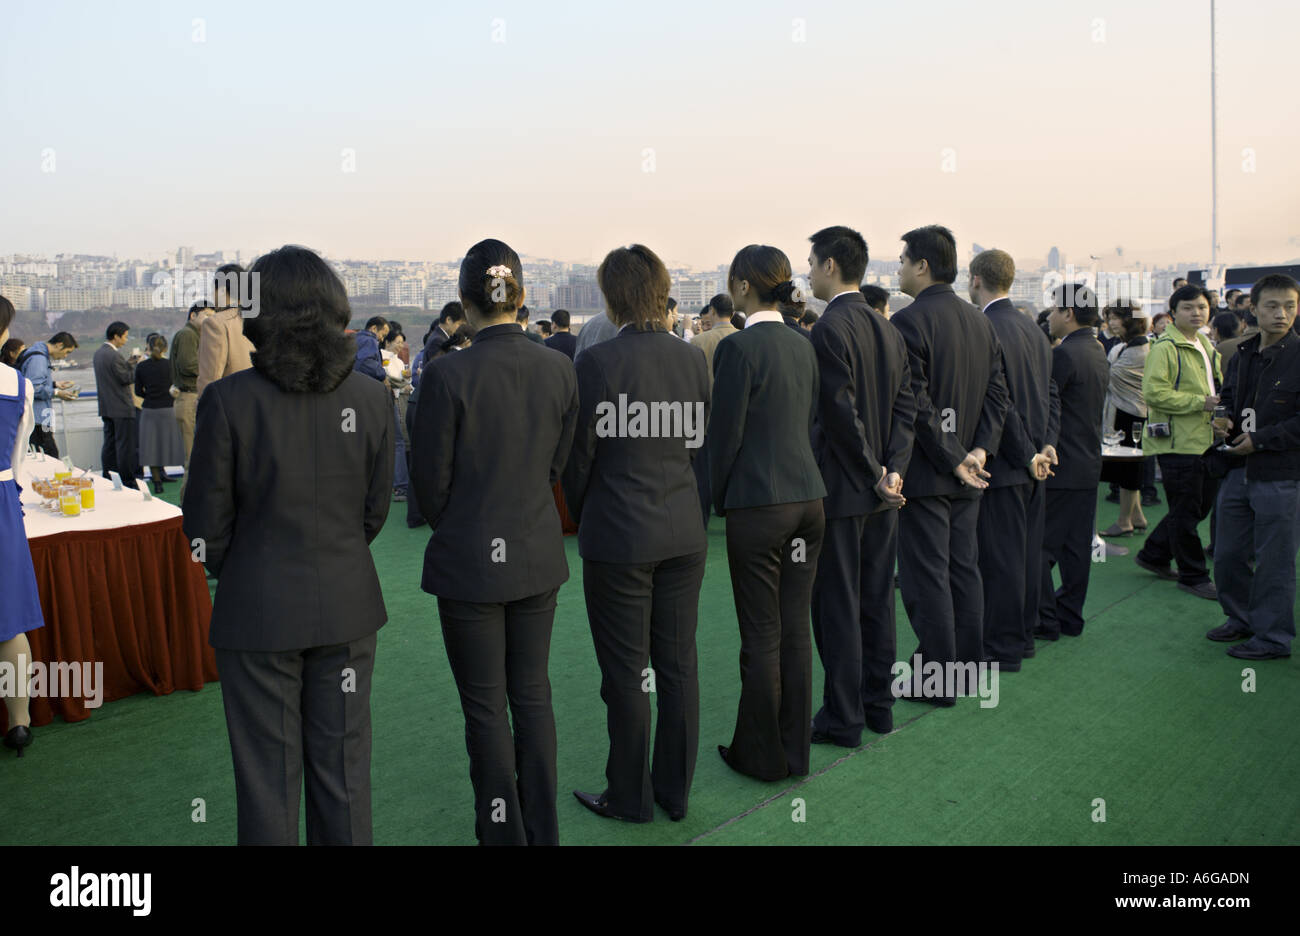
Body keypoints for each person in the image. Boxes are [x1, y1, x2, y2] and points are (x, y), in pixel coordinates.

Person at [183, 245, 394, 845]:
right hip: (347, 608)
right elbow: (374, 513)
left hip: (257, 612)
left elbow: (202, 529)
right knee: (345, 778)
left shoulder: (228, 402)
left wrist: (246, 566)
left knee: (268, 785)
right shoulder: (371, 398)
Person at [412, 239, 577, 845]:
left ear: (465, 301)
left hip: (469, 561)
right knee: (532, 696)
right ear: (523, 298)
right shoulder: (560, 365)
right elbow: (557, 464)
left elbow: (430, 485)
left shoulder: (448, 374)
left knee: (485, 707)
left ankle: (502, 834)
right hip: (535, 552)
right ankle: (542, 831)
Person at [563, 244, 710, 824]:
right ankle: (673, 790)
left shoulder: (595, 362)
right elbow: (698, 445)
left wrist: (588, 511)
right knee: (678, 667)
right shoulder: (690, 359)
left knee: (625, 674)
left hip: (620, 534)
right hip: (682, 530)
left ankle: (629, 795)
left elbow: (578, 463)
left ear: (610, 295)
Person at [708, 244, 826, 781]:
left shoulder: (738, 349)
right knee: (794, 629)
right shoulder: (805, 345)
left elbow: (725, 437)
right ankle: (794, 751)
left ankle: (760, 756)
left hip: (760, 505)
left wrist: (719, 496)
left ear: (742, 287)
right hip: (809, 501)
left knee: (760, 633)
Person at [889, 225, 1009, 703]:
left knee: (927, 578)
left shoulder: (908, 322)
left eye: (902, 259)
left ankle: (937, 680)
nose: (897, 267)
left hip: (929, 473)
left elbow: (915, 404)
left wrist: (958, 456)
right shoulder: (981, 320)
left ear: (922, 265)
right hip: (968, 472)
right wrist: (979, 450)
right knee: (963, 570)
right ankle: (965, 669)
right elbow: (998, 395)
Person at [806, 226, 914, 741]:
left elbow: (840, 414)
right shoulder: (887, 328)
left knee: (838, 605)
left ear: (830, 266)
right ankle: (878, 706)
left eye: (810, 262)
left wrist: (875, 474)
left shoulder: (829, 329)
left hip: (849, 491)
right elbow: (907, 408)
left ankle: (843, 716)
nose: (806, 273)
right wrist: (892, 470)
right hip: (883, 492)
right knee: (876, 601)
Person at [968, 250, 1058, 671]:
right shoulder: (1032, 328)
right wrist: (1048, 447)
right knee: (1022, 556)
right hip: (1035, 464)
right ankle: (1020, 639)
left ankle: (1003, 648)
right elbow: (1050, 395)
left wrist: (1028, 455)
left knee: (1001, 561)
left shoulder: (986, 328)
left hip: (1008, 465)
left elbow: (999, 405)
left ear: (975, 280)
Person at [1209, 274, 1300, 660]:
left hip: (1280, 474)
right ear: (1253, 308)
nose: (1282, 314)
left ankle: (1273, 637)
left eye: (1290, 306)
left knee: (1275, 561)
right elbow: (1229, 397)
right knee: (1228, 554)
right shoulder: (1244, 354)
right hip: (1235, 469)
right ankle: (1241, 618)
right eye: (1272, 306)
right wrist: (1223, 417)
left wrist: (1259, 440)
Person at [1135, 284, 1222, 600]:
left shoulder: (1204, 344)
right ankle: (1193, 575)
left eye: (1201, 306)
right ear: (1173, 313)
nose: (1196, 312)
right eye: (1188, 307)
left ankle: (1155, 553)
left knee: (1195, 508)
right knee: (1187, 512)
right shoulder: (1165, 347)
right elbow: (1154, 393)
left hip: (1204, 439)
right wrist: (1201, 403)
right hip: (1177, 443)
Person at [1036, 284, 1109, 639]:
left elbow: (1048, 409)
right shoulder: (1096, 349)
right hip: (1087, 463)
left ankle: (1045, 619)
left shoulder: (1065, 354)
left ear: (1068, 313)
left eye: (1053, 309)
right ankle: (1069, 617)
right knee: (1075, 548)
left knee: (1039, 548)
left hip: (1062, 464)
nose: (1050, 316)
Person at [0, 295, 44, 757]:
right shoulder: (17, 384)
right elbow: (16, 458)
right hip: (1, 500)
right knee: (9, 622)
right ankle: (19, 721)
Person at [1098, 301, 1152, 537]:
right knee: (1128, 468)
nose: (1110, 323)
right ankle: (1137, 517)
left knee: (1129, 470)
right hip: (1127, 414)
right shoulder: (1128, 347)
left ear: (1129, 320)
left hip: (1131, 415)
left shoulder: (1139, 352)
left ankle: (1123, 522)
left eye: (1115, 318)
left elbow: (1109, 378)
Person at [689, 293, 739, 526]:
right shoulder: (743, 338)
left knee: (702, 477)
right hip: (735, 418)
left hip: (704, 418)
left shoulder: (699, 342)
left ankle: (701, 521)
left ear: (712, 311)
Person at [134, 333, 184, 494]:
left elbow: (137, 391)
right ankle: (188, 479)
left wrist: (149, 396)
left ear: (148, 347)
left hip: (149, 410)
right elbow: (178, 386)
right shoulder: (170, 365)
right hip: (168, 409)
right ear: (166, 348)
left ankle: (157, 483)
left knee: (151, 448)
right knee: (177, 445)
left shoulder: (141, 367)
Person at [172, 302, 213, 498]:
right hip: (189, 397)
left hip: (190, 397)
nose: (209, 320)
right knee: (192, 457)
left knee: (196, 456)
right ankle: (186, 504)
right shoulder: (188, 335)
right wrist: (213, 367)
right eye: (206, 315)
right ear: (193, 316)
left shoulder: (195, 335)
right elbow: (188, 364)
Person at [94, 321, 142, 484]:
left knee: (109, 445)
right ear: (116, 336)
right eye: (125, 337)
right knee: (125, 447)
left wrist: (128, 363)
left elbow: (115, 374)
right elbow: (126, 378)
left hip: (107, 407)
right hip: (121, 407)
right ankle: (128, 480)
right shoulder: (114, 355)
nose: (126, 340)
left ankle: (108, 477)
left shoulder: (99, 353)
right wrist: (137, 367)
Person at [196, 263, 254, 397]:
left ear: (221, 290)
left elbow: (210, 379)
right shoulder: (260, 318)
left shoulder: (215, 324)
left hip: (230, 406)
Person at [17, 331, 78, 457]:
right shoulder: (39, 359)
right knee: (50, 457)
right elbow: (34, 387)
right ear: (59, 345)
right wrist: (56, 392)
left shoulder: (37, 354)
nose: (65, 356)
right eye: (67, 352)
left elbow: (32, 380)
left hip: (40, 417)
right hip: (38, 419)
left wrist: (55, 384)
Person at [381, 328, 411, 502]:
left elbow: (401, 381)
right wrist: (401, 384)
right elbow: (390, 380)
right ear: (387, 342)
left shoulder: (399, 361)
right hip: (389, 401)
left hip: (397, 402)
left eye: (402, 342)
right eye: (398, 342)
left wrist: (403, 384)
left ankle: (397, 484)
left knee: (396, 443)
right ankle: (400, 485)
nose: (401, 345)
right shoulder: (382, 358)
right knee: (398, 443)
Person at [354, 316, 389, 382]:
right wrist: (382, 373)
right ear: (374, 328)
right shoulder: (370, 341)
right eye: (383, 335)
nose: (382, 339)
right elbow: (366, 363)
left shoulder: (355, 338)